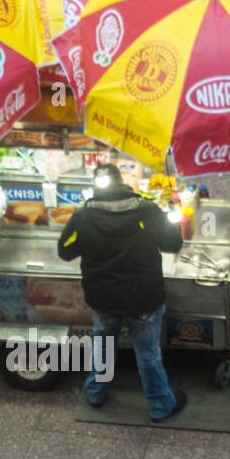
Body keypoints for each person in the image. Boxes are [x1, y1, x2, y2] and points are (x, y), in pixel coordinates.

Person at [57, 162, 187, 422]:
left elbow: (65, 251)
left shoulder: (82, 215)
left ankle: (96, 391)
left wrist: (87, 242)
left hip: (102, 297)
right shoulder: (148, 210)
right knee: (147, 352)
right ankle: (161, 404)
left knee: (103, 344)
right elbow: (173, 243)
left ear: (96, 186)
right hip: (143, 298)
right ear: (123, 183)